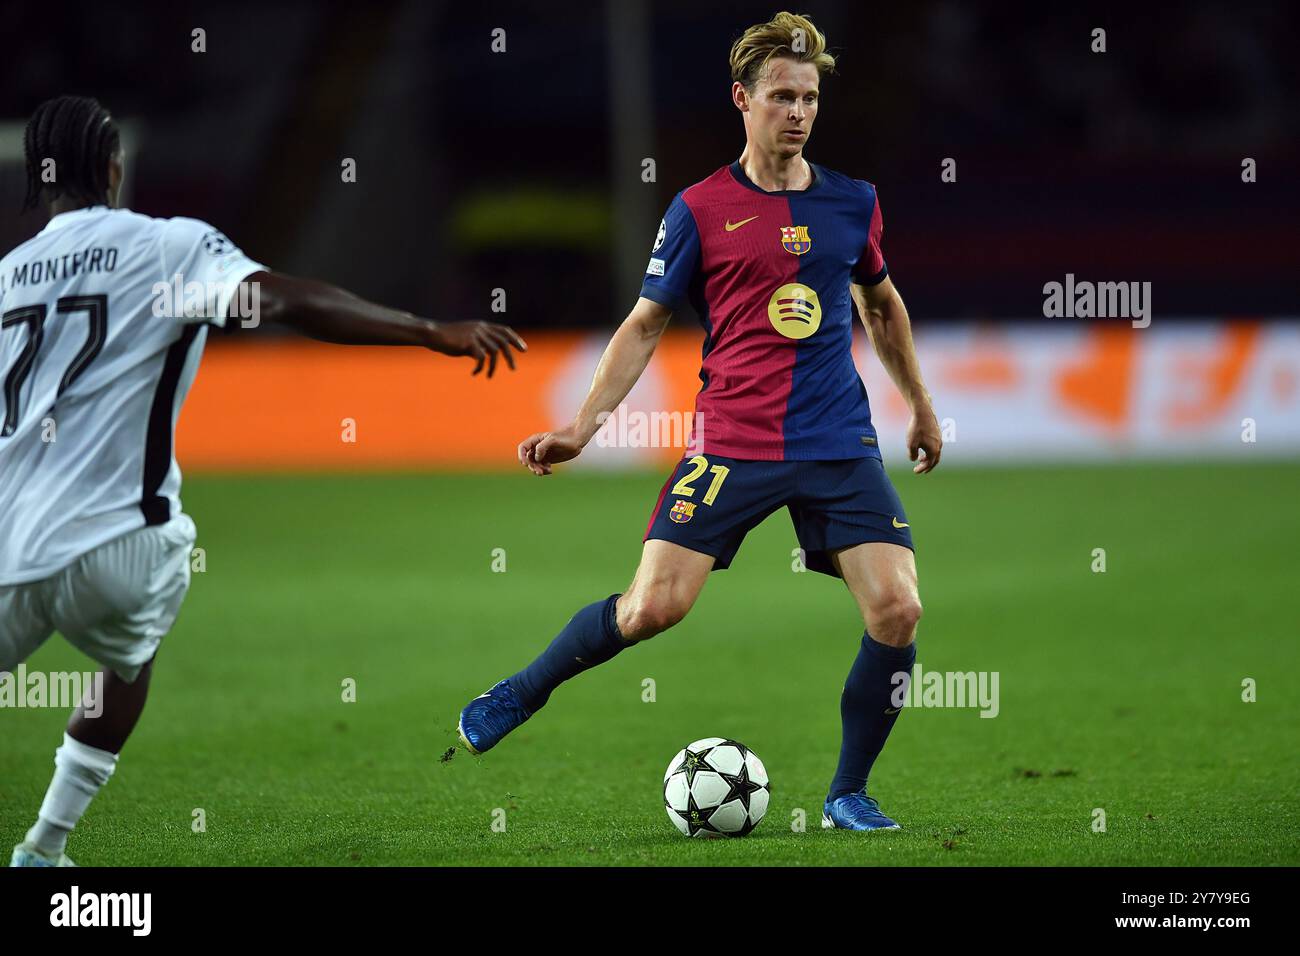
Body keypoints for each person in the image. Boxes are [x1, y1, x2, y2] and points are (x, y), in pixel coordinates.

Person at [2, 95, 525, 866]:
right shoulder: (163, 246)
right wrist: (424, 330)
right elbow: (277, 299)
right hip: (118, 542)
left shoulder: (8, 276)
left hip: (9, 551)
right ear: (115, 165)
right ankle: (44, 849)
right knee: (130, 652)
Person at [456, 12, 942, 832]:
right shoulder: (700, 208)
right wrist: (583, 426)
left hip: (836, 441)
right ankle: (520, 690)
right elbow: (646, 322)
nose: (799, 112)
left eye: (811, 97)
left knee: (898, 609)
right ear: (742, 99)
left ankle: (846, 793)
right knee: (653, 609)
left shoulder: (854, 204)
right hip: (734, 440)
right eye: (782, 96)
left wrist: (922, 405)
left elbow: (881, 305)